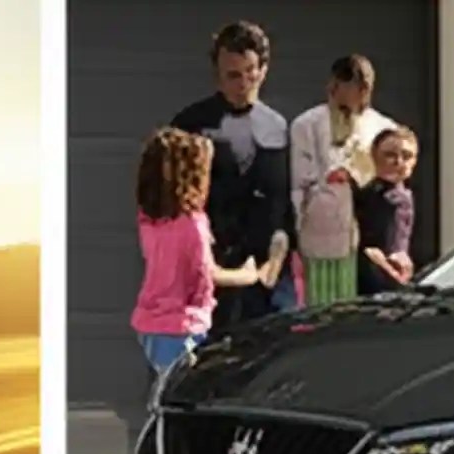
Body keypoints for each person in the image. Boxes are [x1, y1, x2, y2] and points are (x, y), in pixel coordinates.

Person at [169, 20, 292, 330]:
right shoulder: (190, 125)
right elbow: (171, 199)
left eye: (251, 73)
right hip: (207, 268)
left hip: (262, 273)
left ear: (263, 70)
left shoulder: (278, 127)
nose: (243, 83)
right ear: (217, 74)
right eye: (233, 75)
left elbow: (283, 199)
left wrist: (278, 254)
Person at [130, 127, 277, 373]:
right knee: (182, 390)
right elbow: (207, 273)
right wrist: (249, 274)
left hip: (150, 324)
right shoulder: (193, 224)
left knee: (164, 385)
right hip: (181, 326)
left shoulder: (149, 219)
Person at [290, 54, 399, 306]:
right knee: (321, 303)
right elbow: (299, 181)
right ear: (334, 85)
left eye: (362, 88)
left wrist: (359, 175)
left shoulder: (383, 127)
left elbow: (393, 174)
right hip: (322, 228)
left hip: (369, 229)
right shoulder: (307, 124)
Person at [354, 126, 419, 295]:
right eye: (390, 155)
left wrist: (394, 259)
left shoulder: (400, 198)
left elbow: (397, 242)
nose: (399, 162)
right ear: (374, 156)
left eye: (407, 156)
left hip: (384, 275)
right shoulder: (365, 192)